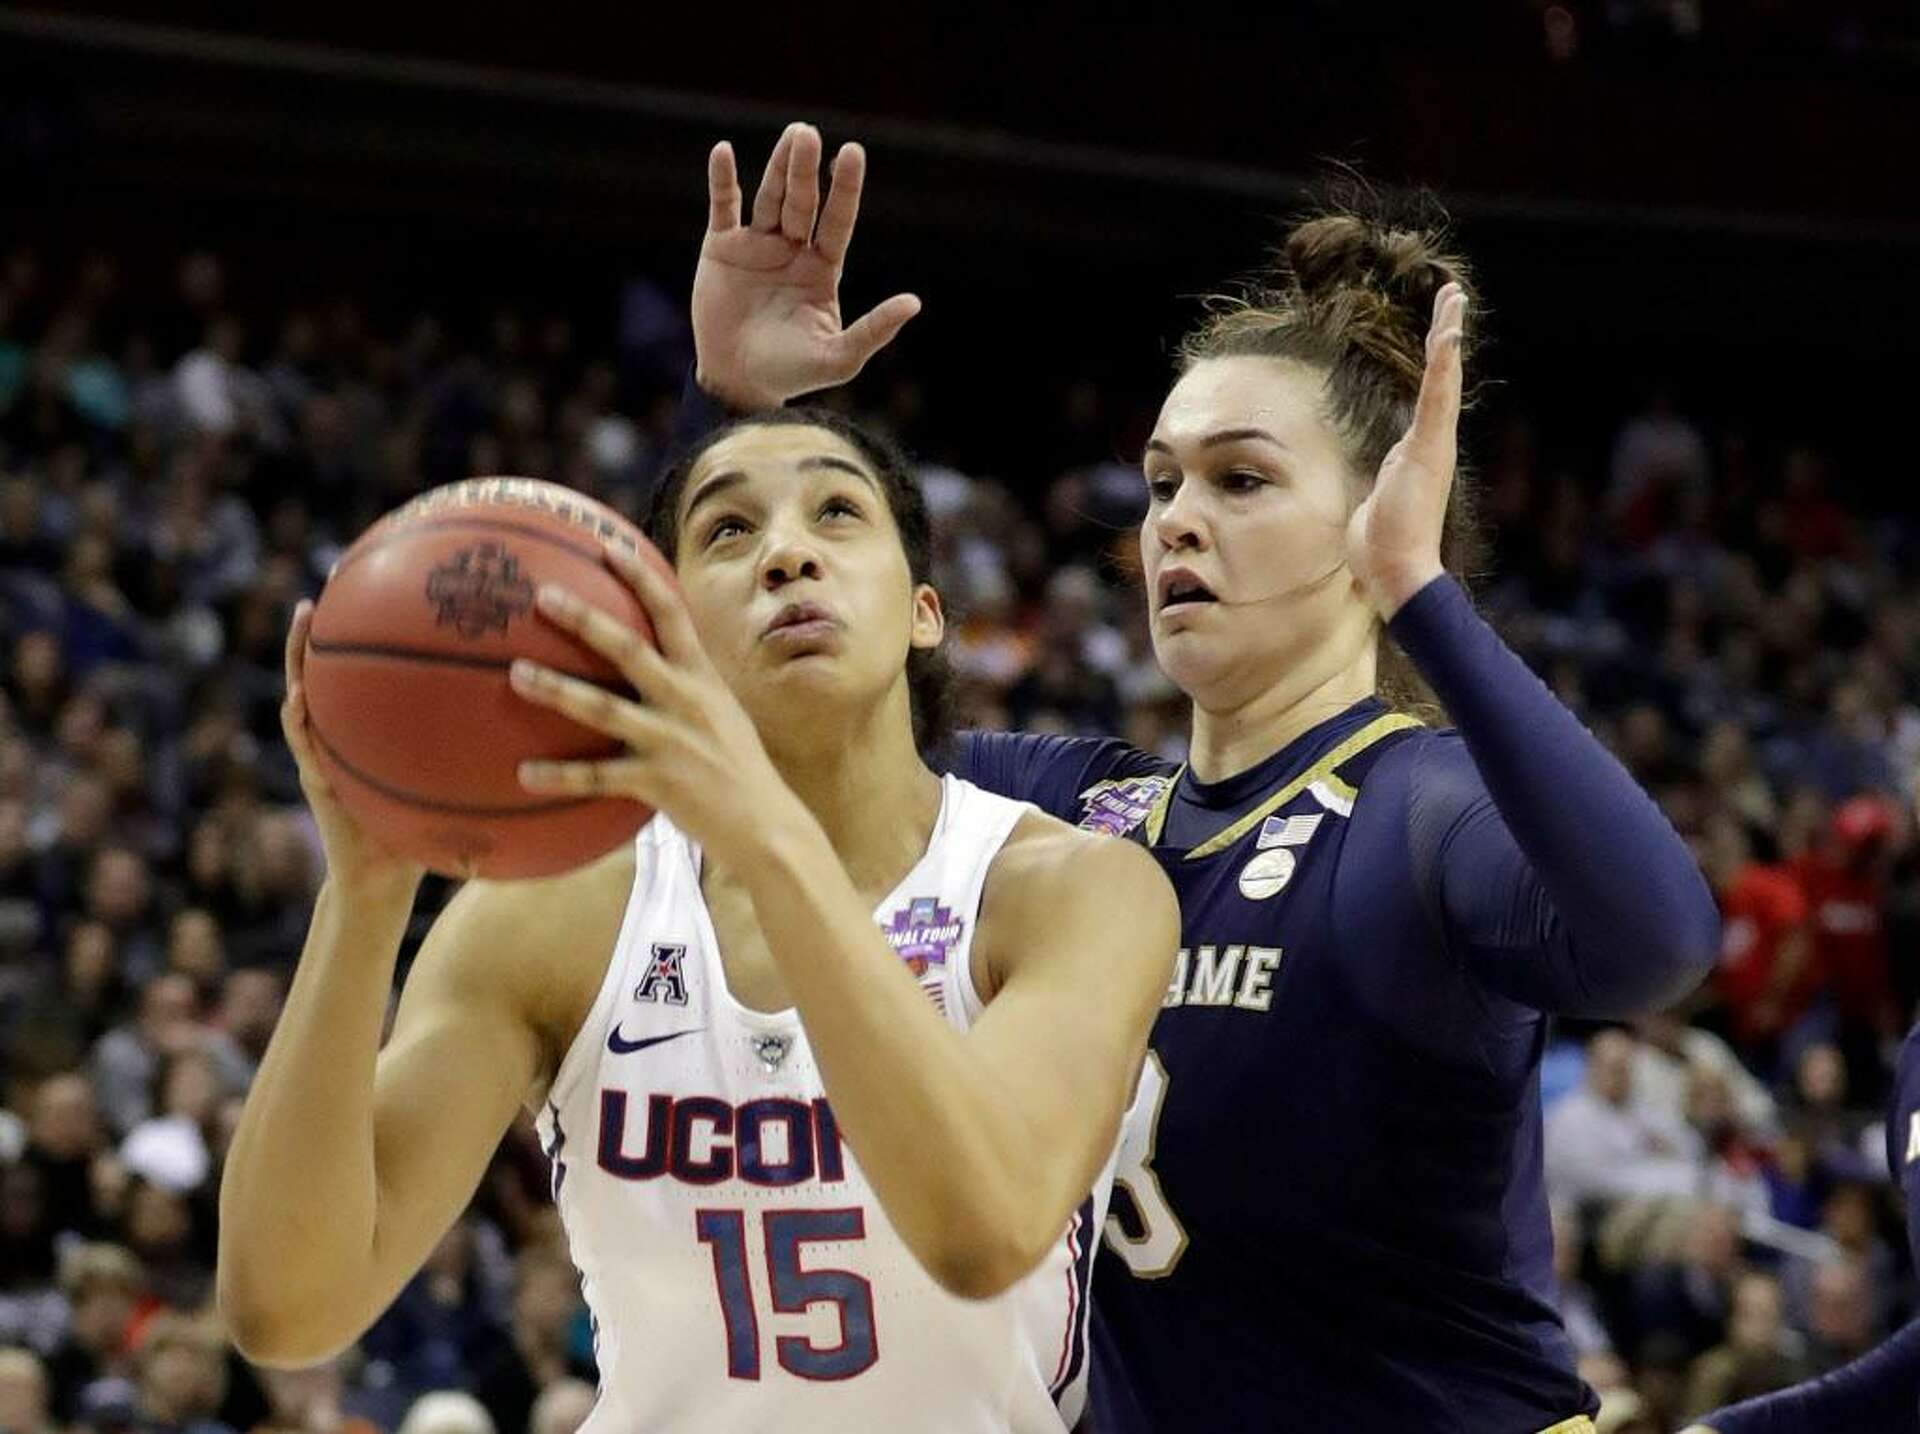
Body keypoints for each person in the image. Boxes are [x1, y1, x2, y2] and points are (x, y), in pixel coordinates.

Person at [685, 121, 1721, 1428]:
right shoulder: (1061, 812)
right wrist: (738, 418)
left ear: (1373, 520)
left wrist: (1423, 596)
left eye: (1240, 480)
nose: (1175, 516)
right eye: (1163, 479)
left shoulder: (1417, 808)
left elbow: (1659, 941)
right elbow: (748, 756)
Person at [216, 396, 1180, 1430]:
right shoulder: (556, 917)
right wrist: (361, 899)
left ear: (924, 612)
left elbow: (984, 1229)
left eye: (837, 514)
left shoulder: (1066, 889)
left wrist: (762, 830)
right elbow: (287, 1308)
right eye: (729, 530)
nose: (786, 555)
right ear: (665, 632)